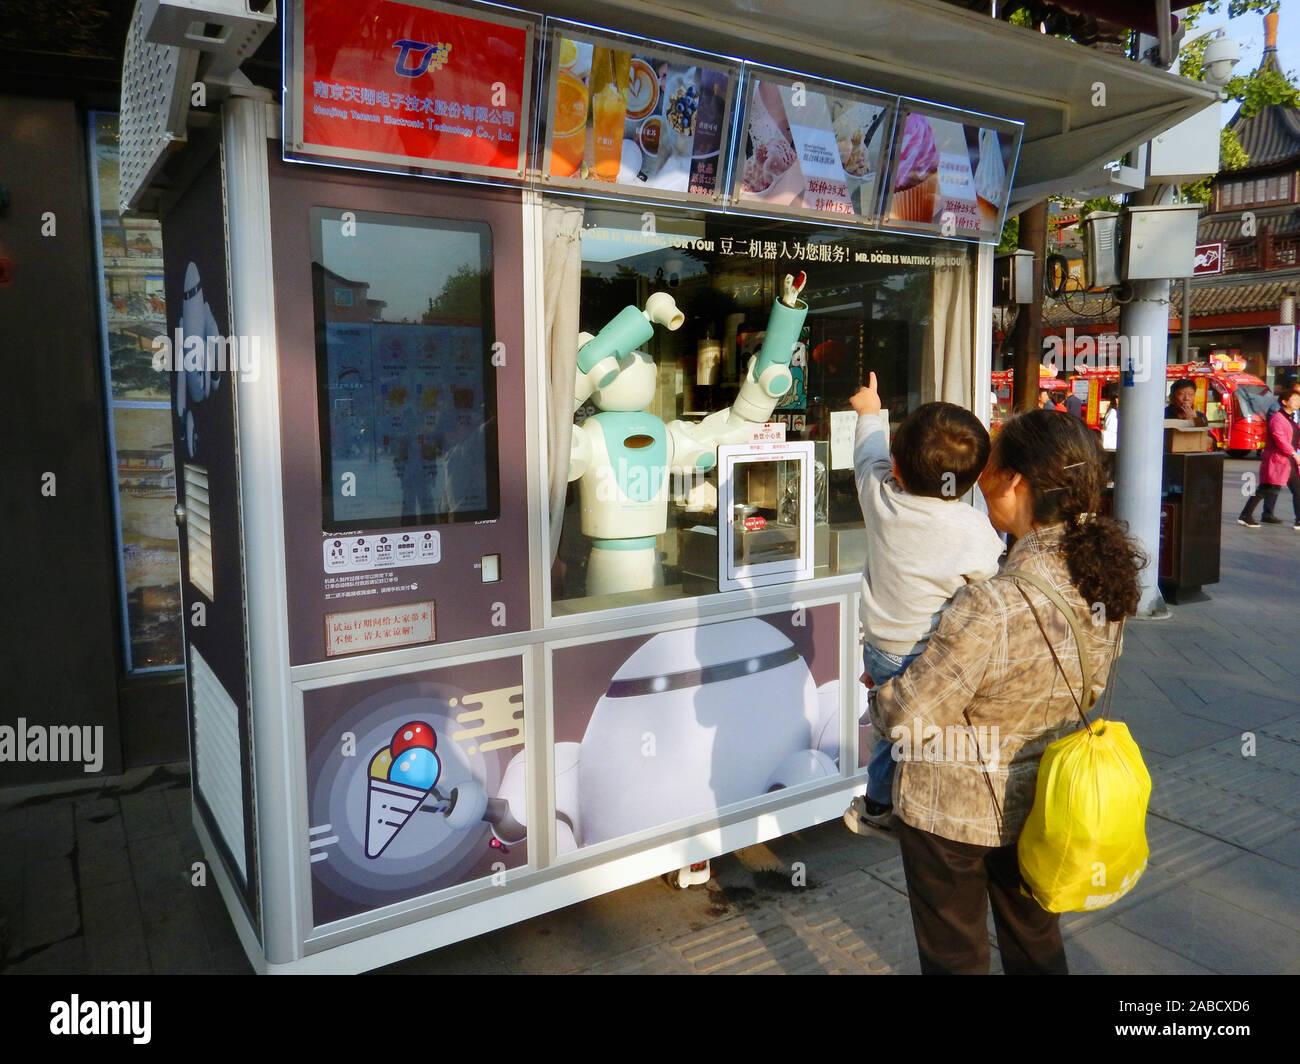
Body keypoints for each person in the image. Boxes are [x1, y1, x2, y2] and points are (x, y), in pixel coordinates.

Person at [872, 410, 1144, 974]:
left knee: (955, 955)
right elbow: (1090, 685)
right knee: (1035, 941)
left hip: (951, 813)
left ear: (1015, 481)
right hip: (1045, 798)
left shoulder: (990, 603)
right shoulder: (1104, 574)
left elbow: (910, 719)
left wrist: (882, 691)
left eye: (990, 469)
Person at [842, 373, 1005, 837]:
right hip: (933, 653)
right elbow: (995, 588)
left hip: (881, 645)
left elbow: (866, 456)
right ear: (975, 476)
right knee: (922, 730)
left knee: (891, 730)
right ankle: (911, 806)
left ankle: (877, 806)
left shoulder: (880, 500)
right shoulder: (975, 530)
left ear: (895, 465)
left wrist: (869, 410)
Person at [1238, 384, 1300, 529]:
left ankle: (1298, 520)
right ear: (1284, 402)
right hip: (1278, 460)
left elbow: (1294, 438)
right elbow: (1280, 439)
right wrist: (1293, 454)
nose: (1298, 402)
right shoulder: (1277, 418)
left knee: (1297, 489)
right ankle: (1245, 515)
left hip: (1288, 461)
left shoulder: (1291, 418)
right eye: (1295, 400)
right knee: (1265, 488)